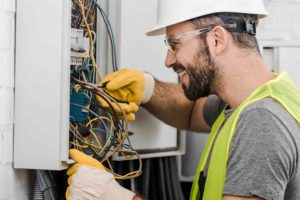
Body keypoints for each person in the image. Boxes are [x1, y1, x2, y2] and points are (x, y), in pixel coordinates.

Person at [66, 0, 300, 199]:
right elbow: (190, 113)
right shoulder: (253, 99)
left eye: (175, 44)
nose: (168, 60)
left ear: (216, 40)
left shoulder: (261, 122)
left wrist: (114, 196)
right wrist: (149, 89)